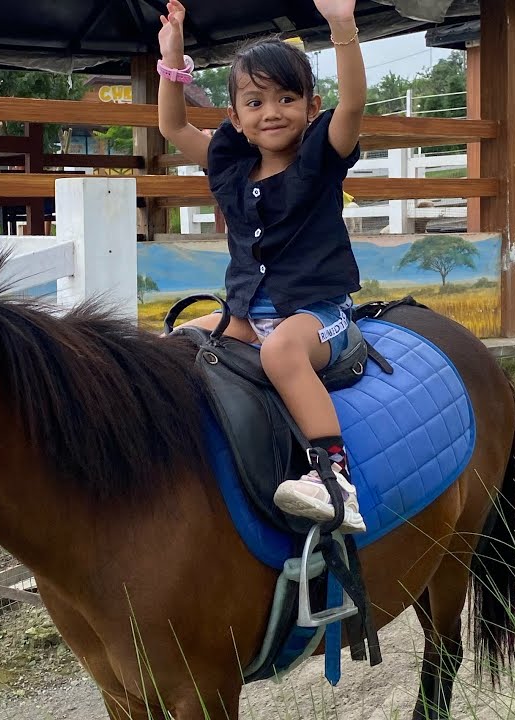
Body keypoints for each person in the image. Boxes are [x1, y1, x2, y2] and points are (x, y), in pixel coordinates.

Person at [157, 0, 368, 532]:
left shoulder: (322, 156)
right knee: (177, 341)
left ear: (311, 107)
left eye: (286, 98)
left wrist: (342, 28)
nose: (271, 111)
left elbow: (354, 108)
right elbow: (172, 124)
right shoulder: (231, 165)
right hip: (249, 311)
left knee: (281, 351)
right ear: (236, 117)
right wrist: (173, 61)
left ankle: (333, 476)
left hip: (319, 313)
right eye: (254, 101)